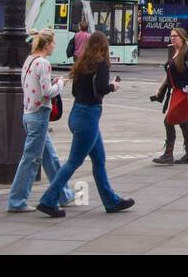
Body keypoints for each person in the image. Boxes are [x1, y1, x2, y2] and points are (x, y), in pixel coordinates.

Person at [35, 32, 135, 217]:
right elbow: (103, 89)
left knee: (99, 160)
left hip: (77, 113)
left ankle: (111, 201)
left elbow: (74, 91)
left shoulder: (81, 64)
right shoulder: (101, 63)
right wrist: (113, 86)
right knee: (74, 162)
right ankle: (48, 200)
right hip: (89, 116)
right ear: (104, 46)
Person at [7, 29, 75, 213]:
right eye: (53, 43)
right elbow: (47, 92)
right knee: (30, 160)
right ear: (46, 45)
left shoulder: (29, 61)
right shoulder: (44, 63)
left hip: (28, 113)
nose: (55, 46)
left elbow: (35, 86)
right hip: (39, 115)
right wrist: (60, 84)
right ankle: (17, 200)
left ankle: (63, 194)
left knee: (50, 157)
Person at [151, 28, 188, 165]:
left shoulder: (187, 52)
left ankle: (168, 154)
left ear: (182, 37)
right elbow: (169, 74)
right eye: (171, 36)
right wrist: (160, 88)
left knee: (169, 120)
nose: (172, 38)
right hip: (176, 91)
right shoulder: (174, 52)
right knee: (183, 121)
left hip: (185, 93)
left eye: (175, 36)